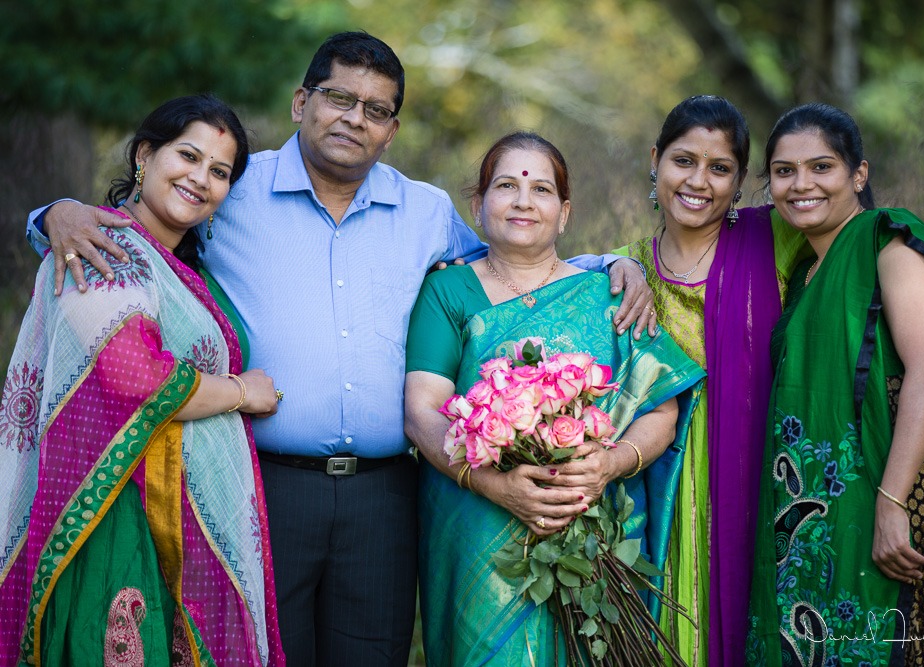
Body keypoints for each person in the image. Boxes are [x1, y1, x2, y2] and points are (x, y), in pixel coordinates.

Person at [25, 32, 656, 666]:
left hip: (382, 498)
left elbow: (515, 262)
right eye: (338, 97)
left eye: (376, 109)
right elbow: (148, 228)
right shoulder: (234, 189)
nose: (354, 117)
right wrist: (55, 214)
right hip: (264, 487)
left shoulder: (426, 212)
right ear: (302, 102)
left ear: (392, 130)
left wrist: (606, 268)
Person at [617, 95, 924, 667]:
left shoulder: (771, 235)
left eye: (721, 168)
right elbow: (557, 271)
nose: (698, 182)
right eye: (684, 161)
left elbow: (883, 237)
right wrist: (614, 265)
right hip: (670, 481)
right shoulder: (625, 266)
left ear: (739, 184)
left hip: (773, 470)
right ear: (655, 161)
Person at [0, 95, 284, 666]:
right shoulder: (101, 248)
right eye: (188, 155)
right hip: (113, 514)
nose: (200, 179)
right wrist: (243, 393)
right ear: (145, 155)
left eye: (220, 172)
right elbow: (140, 378)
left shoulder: (184, 267)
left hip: (179, 518)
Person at [403, 132, 705, 664]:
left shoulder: (610, 294)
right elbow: (422, 411)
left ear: (564, 213)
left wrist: (610, 463)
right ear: (477, 205)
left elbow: (661, 407)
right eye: (506, 186)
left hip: (593, 527)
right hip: (478, 529)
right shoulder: (447, 292)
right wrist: (497, 485)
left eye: (541, 188)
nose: (523, 201)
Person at [744, 103, 924, 666]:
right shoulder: (803, 268)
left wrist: (892, 503)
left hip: (897, 484)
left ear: (859, 174)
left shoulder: (888, 243)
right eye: (784, 171)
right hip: (821, 505)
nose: (801, 184)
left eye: (821, 167)